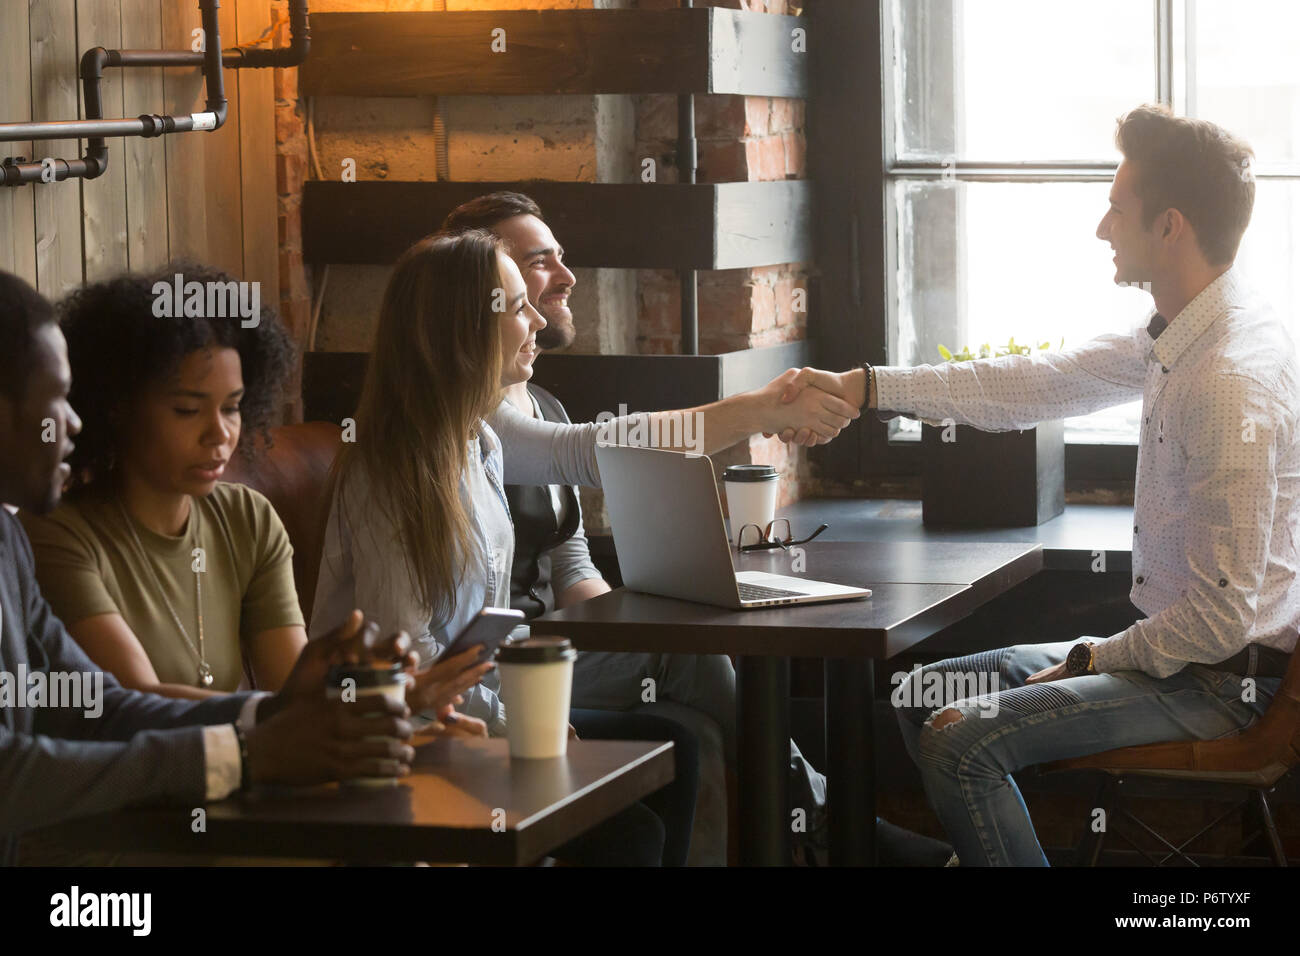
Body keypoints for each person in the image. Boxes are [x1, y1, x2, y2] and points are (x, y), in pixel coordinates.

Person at [778, 104, 1299, 865]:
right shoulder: (1185, 332)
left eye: (1117, 207)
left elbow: (1219, 624)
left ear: (1170, 227)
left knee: (958, 741)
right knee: (920, 697)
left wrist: (1089, 659)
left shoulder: (1228, 379)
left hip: (1217, 687)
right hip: (1177, 662)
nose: (1101, 228)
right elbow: (1037, 382)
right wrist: (867, 388)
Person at [439, 191, 956, 866]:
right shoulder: (463, 418)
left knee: (694, 714)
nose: (565, 278)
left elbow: (572, 565)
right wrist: (760, 409)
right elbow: (594, 451)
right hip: (494, 669)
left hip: (556, 649)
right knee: (692, 660)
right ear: (483, 288)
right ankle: (837, 829)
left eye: (560, 258)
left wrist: (637, 631)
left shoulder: (543, 401)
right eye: (538, 264)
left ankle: (823, 831)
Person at [0, 268, 457, 867]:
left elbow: (101, 708)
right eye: (56, 398)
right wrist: (246, 752)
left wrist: (284, 710)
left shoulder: (7, 539)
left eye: (234, 408)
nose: (73, 420)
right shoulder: (50, 534)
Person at [312, 231, 708, 864]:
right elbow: (406, 655)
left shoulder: (482, 443)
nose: (539, 321)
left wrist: (527, 710)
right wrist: (511, 722)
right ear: (462, 329)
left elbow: (491, 633)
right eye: (519, 307)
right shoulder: (389, 470)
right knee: (630, 832)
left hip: (479, 706)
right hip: (406, 730)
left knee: (673, 750)